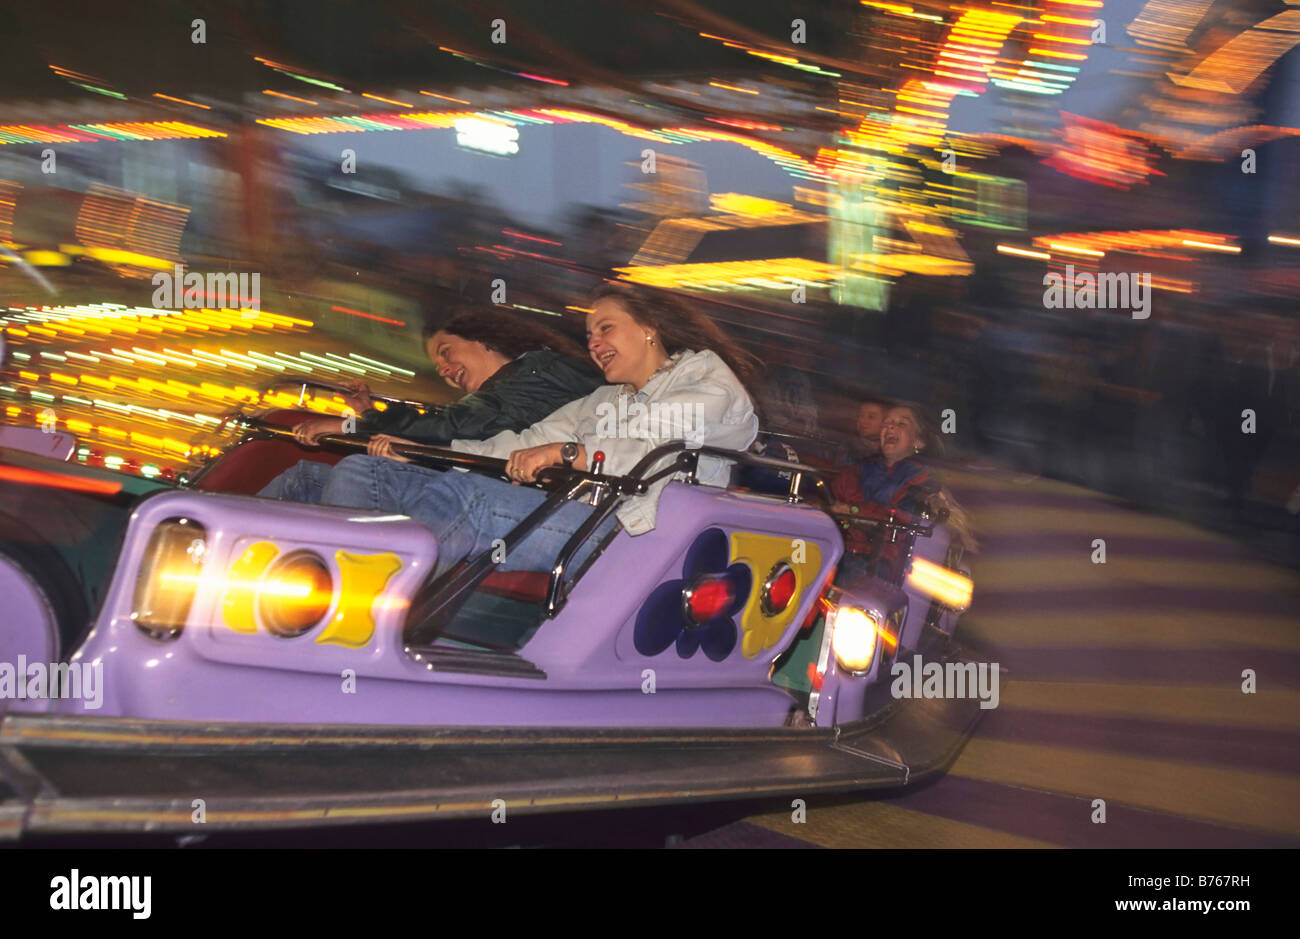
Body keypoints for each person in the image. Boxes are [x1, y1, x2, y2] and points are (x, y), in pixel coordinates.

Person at [315, 282, 760, 579]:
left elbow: (653, 450)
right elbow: (514, 445)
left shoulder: (706, 381)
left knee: (470, 500)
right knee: (367, 473)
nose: (594, 343)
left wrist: (567, 454)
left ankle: (371, 603)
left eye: (606, 328)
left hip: (635, 533)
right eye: (589, 334)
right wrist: (420, 453)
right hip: (583, 515)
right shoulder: (605, 399)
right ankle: (323, 583)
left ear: (649, 329)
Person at [260, 306, 602, 503]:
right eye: (438, 366)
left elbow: (456, 426)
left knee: (361, 472)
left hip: (508, 490)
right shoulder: (502, 391)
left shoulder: (537, 372)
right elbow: (454, 426)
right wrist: (367, 416)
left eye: (446, 352)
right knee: (303, 478)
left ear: (483, 340)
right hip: (476, 473)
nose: (444, 370)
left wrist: (352, 426)